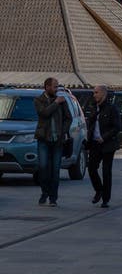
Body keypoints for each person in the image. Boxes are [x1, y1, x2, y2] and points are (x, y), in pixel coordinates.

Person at [34, 77, 71, 206]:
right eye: (54, 86)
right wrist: (56, 103)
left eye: (57, 86)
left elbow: (68, 118)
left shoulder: (62, 101)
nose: (57, 89)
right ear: (47, 87)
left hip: (57, 140)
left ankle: (53, 198)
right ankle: (45, 192)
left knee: (55, 170)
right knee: (43, 168)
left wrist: (63, 131)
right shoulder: (39, 100)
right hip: (44, 139)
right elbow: (44, 113)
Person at [87, 85, 121, 208]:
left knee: (106, 171)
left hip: (108, 144)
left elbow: (117, 127)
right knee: (91, 168)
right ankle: (99, 190)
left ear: (103, 94)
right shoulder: (93, 107)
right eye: (93, 92)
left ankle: (105, 199)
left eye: (96, 92)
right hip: (95, 144)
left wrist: (104, 137)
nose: (94, 95)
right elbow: (90, 124)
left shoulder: (112, 109)